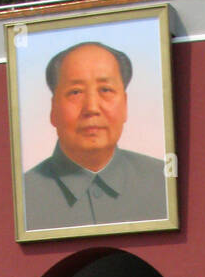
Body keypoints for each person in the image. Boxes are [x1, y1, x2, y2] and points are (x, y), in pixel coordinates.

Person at [23, 41, 167, 232]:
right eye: (75, 92)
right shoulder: (24, 196)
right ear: (53, 110)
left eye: (105, 90)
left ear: (125, 104)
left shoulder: (162, 182)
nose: (91, 108)